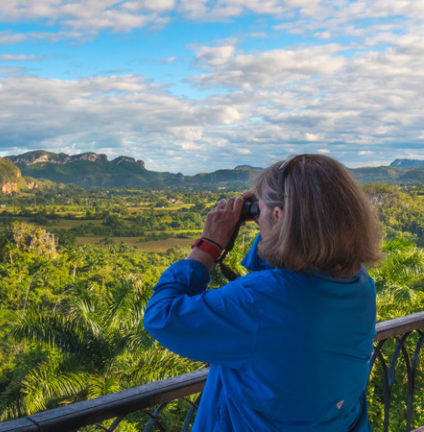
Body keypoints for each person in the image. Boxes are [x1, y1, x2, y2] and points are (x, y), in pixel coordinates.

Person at [143, 154, 381, 431]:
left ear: (279, 216)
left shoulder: (258, 302)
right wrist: (273, 220)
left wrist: (207, 245)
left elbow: (162, 316)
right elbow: (286, 280)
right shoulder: (361, 285)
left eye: (262, 211)